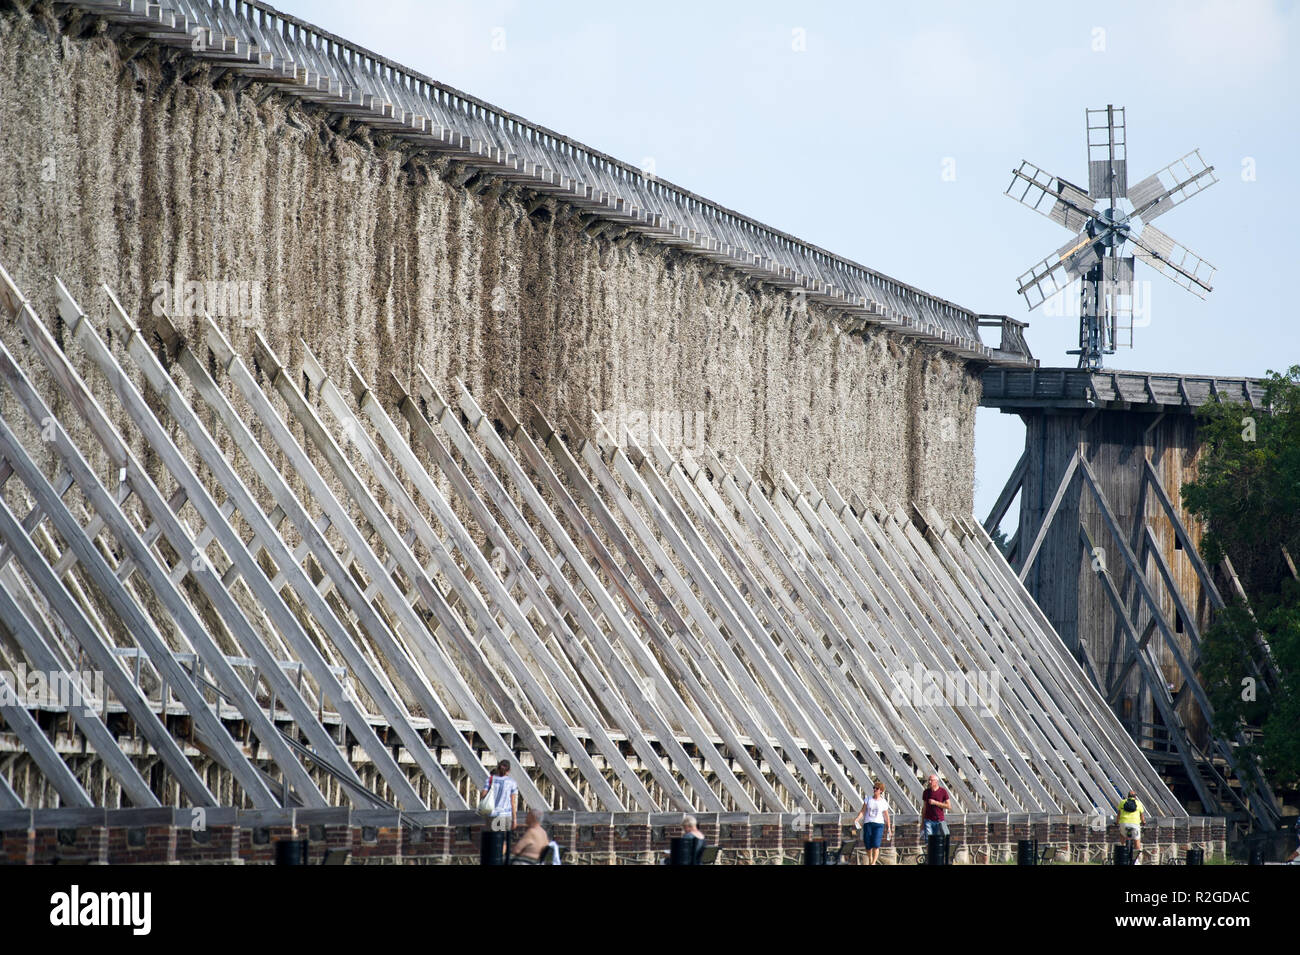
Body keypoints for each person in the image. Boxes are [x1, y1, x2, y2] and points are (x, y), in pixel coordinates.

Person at [481, 760, 519, 862]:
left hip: (492, 814)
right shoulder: (512, 783)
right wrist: (515, 819)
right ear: (509, 770)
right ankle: (500, 860)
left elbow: (483, 795)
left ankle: (493, 860)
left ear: (498, 768)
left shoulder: (490, 779)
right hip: (505, 814)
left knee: (492, 840)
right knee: (503, 841)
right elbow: (513, 802)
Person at [853, 780, 893, 865]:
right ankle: (870, 858)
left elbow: (886, 816)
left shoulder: (883, 802)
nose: (874, 789)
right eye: (874, 788)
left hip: (879, 824)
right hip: (868, 823)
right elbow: (863, 811)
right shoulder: (868, 799)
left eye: (877, 788)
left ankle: (873, 863)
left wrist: (889, 828)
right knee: (868, 844)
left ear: (881, 791)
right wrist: (857, 819)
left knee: (876, 844)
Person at [1115, 789, 1146, 864]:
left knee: (1122, 835)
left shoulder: (1122, 802)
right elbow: (1142, 816)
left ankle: (1122, 854)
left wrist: (1117, 822)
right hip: (1135, 824)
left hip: (1124, 823)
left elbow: (1118, 814)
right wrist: (1143, 822)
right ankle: (1136, 861)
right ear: (1135, 797)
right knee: (1137, 840)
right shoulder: (1138, 803)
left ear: (1128, 796)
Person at [921, 773, 950, 841]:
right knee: (928, 840)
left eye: (931, 780)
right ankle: (929, 851)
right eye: (929, 780)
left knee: (938, 841)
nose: (929, 782)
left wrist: (935, 803)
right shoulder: (926, 792)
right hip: (928, 820)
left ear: (936, 781)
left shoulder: (943, 791)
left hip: (939, 820)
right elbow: (924, 807)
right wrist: (922, 822)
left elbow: (948, 806)